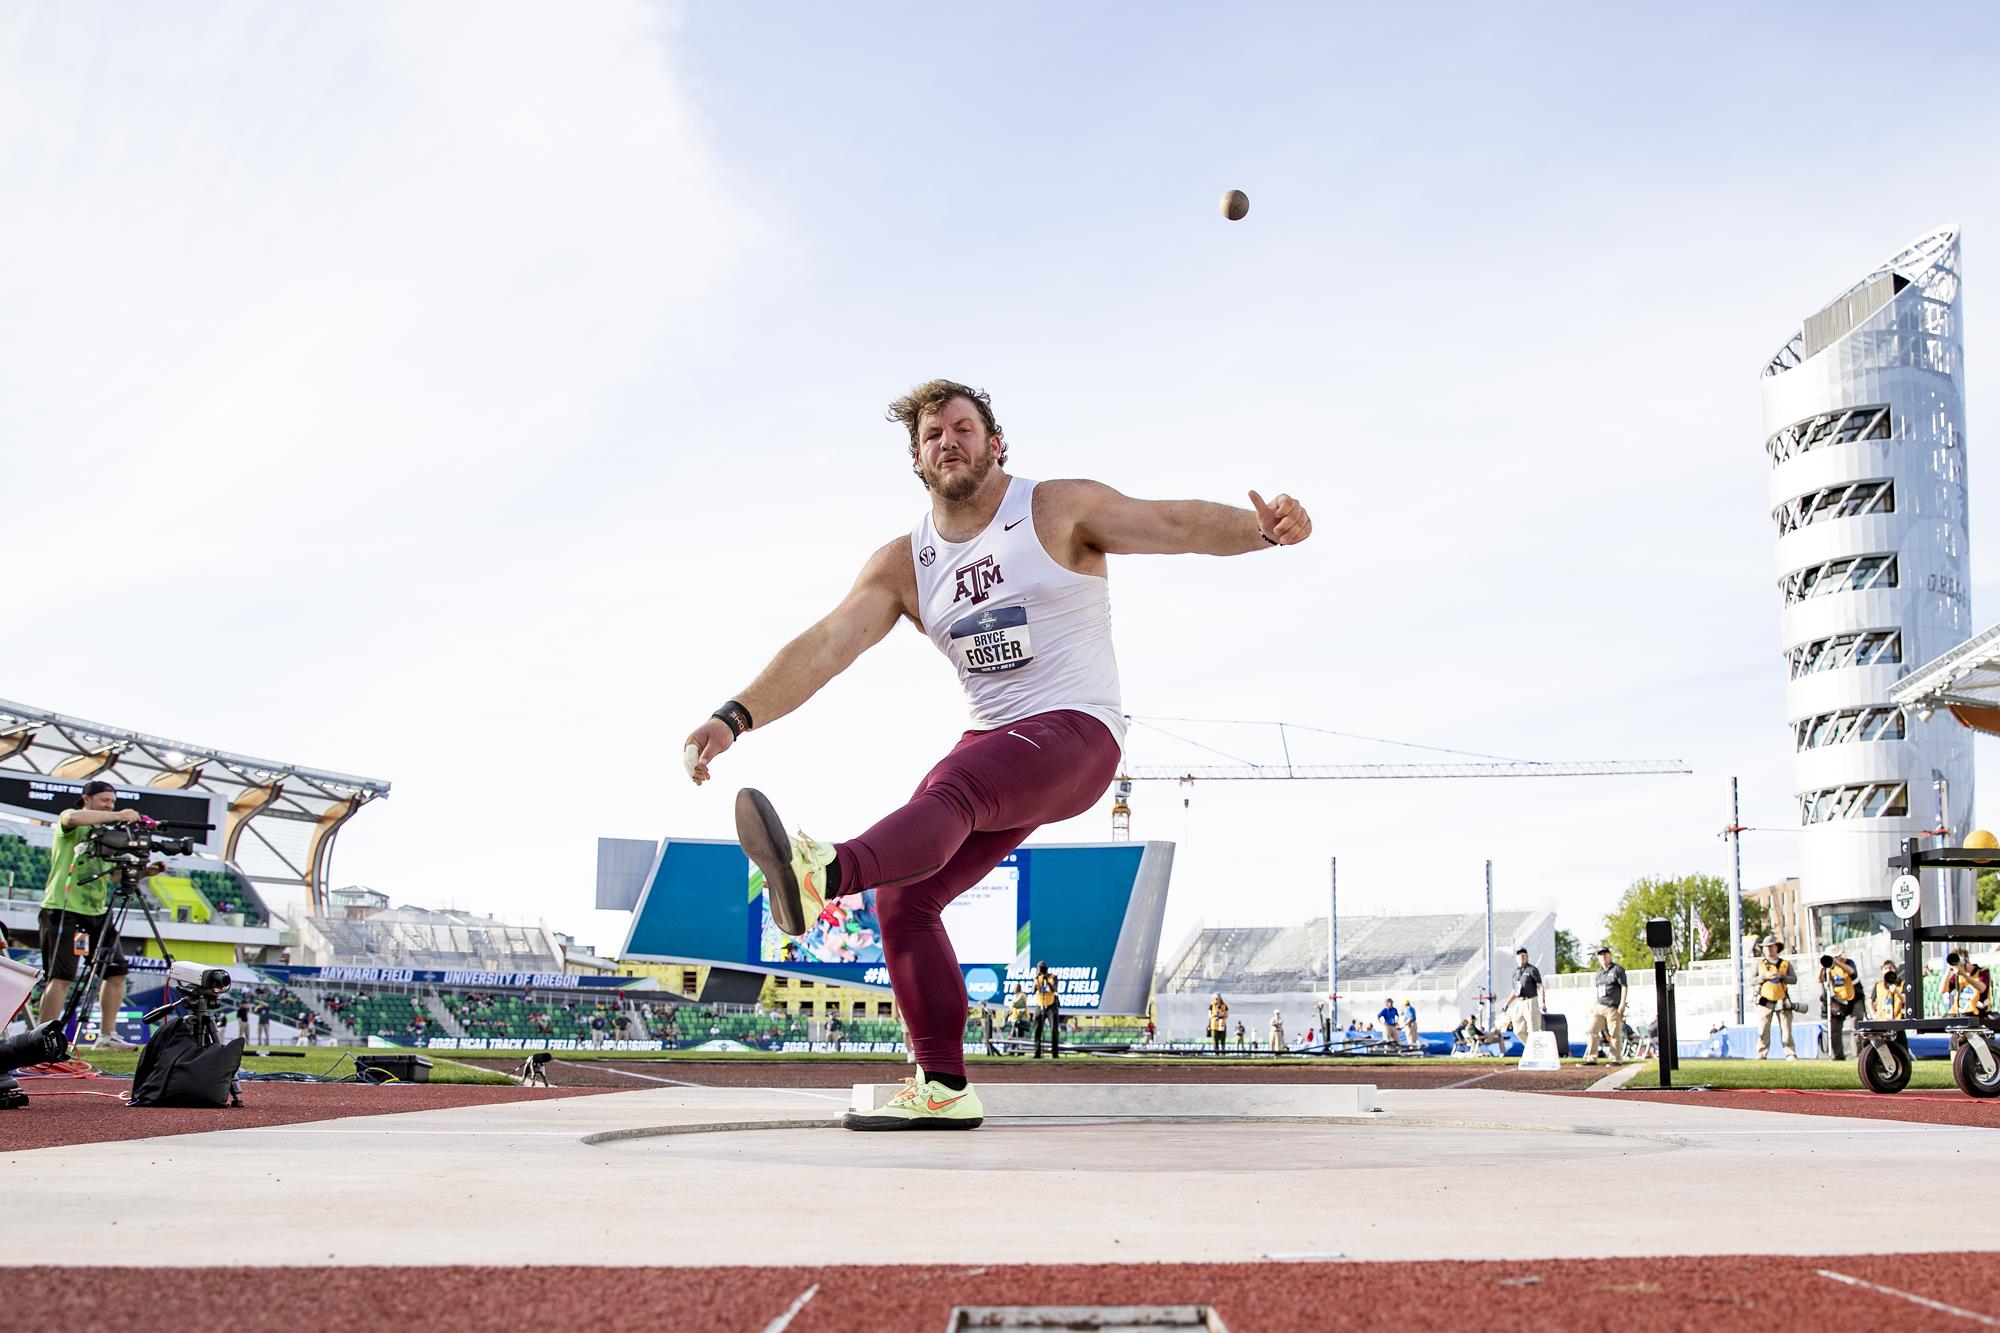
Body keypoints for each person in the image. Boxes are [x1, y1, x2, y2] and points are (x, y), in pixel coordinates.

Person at [683, 380, 1310, 1130]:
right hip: (995, 746)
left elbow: (1167, 522)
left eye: (964, 427)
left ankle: (824, 871)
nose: (949, 441)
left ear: (995, 442)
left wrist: (1262, 528)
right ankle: (943, 1084)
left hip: (1077, 733)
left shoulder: (1055, 508)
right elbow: (826, 645)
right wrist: (735, 715)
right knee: (905, 900)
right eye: (933, 435)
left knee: (951, 789)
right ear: (916, 459)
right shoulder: (902, 565)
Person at [35, 780, 167, 1049]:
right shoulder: (71, 822)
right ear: (87, 799)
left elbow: (116, 876)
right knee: (61, 976)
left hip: (97, 912)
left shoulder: (110, 836)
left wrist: (145, 872)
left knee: (117, 971)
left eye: (113, 802)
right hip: (62, 907)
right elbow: (71, 817)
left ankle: (107, 1036)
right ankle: (39, 1040)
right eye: (105, 800)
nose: (110, 805)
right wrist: (118, 816)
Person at [1754, 936, 1799, 1060]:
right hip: (1765, 1000)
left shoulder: (1785, 964)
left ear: (1777, 947)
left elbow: (1794, 979)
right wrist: (1764, 977)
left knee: (1786, 1030)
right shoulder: (1760, 964)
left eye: (1771, 947)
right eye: (1766, 947)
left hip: (1782, 1000)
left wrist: (1782, 976)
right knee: (1763, 1029)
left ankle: (1790, 1053)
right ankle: (1761, 1053)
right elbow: (1751, 980)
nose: (1768, 949)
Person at [1582, 944, 1628, 1065]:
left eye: (1605, 955)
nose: (1603, 958)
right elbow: (1598, 990)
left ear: (1610, 956)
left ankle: (1616, 1058)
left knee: (1614, 1033)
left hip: (1612, 1006)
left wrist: (1622, 1003)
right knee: (1591, 1030)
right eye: (1601, 956)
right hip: (1599, 1006)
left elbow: (1624, 986)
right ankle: (1591, 1058)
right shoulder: (1599, 973)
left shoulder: (1617, 970)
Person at [1818, 950, 1863, 1060]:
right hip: (1837, 1002)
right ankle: (1838, 1055)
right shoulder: (1828, 968)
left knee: (1855, 1027)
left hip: (1854, 998)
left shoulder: (1849, 962)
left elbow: (1852, 972)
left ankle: (1858, 1055)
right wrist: (1823, 965)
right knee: (1834, 1029)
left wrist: (1837, 963)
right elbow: (1819, 980)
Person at [1504, 947, 1545, 1038]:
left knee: (1533, 1029)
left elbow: (1540, 987)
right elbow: (1515, 990)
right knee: (1518, 1030)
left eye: (1523, 955)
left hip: (1530, 1000)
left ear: (1527, 957)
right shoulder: (1516, 972)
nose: (1521, 957)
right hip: (1519, 1002)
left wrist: (1542, 1002)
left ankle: (1534, 1049)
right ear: (1516, 958)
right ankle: (1529, 1047)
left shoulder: (1532, 970)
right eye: (1519, 955)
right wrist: (1507, 1003)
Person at [1943, 951, 1993, 1016]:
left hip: (1977, 1014)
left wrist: (1965, 975)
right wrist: (1948, 970)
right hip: (1959, 1013)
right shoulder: (1957, 975)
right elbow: (1943, 990)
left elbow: (1982, 988)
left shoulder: (1982, 972)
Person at [1029, 960, 1061, 1059]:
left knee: (1054, 1030)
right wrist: (1036, 980)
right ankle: (1037, 1053)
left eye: (1041, 968)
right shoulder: (1037, 978)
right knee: (1037, 1030)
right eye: (1039, 968)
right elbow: (1033, 990)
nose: (1040, 970)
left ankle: (1055, 1053)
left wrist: (1046, 979)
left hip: (1051, 1006)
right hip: (1040, 1005)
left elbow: (1053, 989)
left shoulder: (1053, 977)